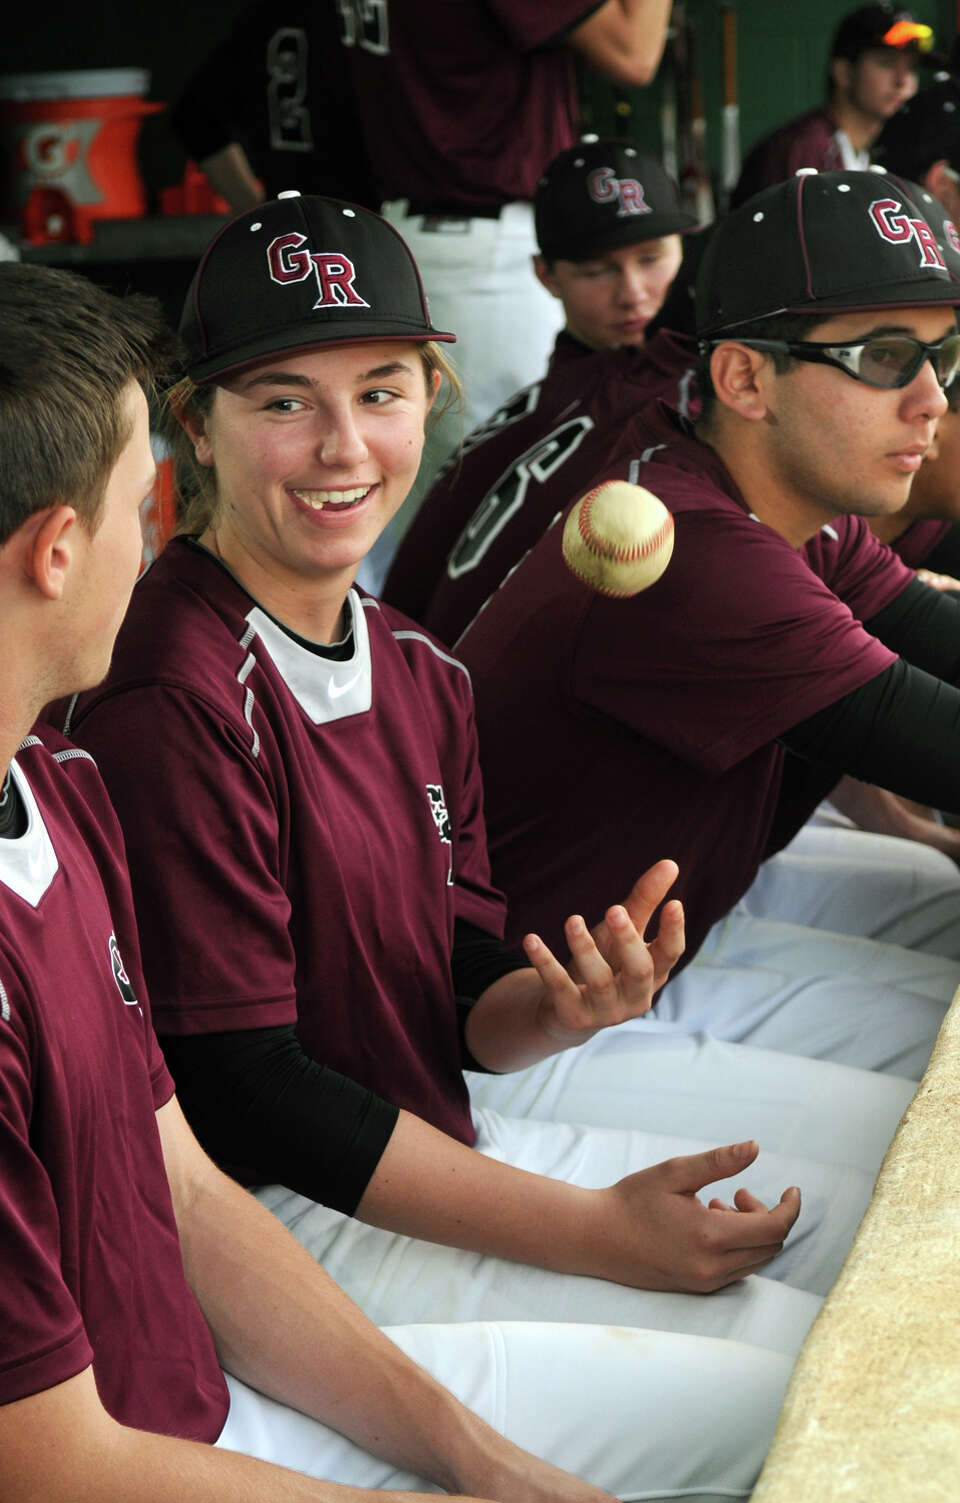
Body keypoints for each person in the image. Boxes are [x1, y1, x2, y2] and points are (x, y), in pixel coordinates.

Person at [0, 256, 795, 1503]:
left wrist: (484, 1461)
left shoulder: (42, 778)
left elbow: (178, 1190)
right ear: (54, 550)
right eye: (140, 497)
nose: (154, 533)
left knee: (803, 1428)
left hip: (167, 1424)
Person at [61, 191, 921, 1367]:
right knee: (798, 1339)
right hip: (272, 1223)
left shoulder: (416, 667)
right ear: (195, 430)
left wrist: (551, 1007)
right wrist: (593, 1234)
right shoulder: (174, 689)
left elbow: (461, 994)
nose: (342, 446)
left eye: (380, 391)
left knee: (851, 1241)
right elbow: (249, 1089)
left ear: (429, 400)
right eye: (283, 401)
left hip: (432, 1138)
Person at [460, 168, 960, 1090]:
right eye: (886, 356)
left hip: (655, 944)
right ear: (742, 378)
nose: (932, 397)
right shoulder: (693, 551)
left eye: (943, 352)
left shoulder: (767, 490)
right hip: (515, 1032)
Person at [337, 0, 676, 585]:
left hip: (427, 234)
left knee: (453, 520)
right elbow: (633, 49)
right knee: (501, 536)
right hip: (480, 250)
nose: (633, 289)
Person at [383, 136, 699, 645]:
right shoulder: (554, 415)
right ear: (544, 275)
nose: (633, 293)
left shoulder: (556, 403)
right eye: (597, 269)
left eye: (651, 257)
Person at [169, 0, 378, 213]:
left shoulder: (268, 14)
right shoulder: (270, 15)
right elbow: (195, 116)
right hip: (371, 221)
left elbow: (193, 115)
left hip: (305, 224)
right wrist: (258, 212)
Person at [732, 3, 930, 206]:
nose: (903, 80)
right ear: (844, 72)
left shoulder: (864, 150)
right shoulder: (807, 147)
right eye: (886, 63)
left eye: (912, 68)